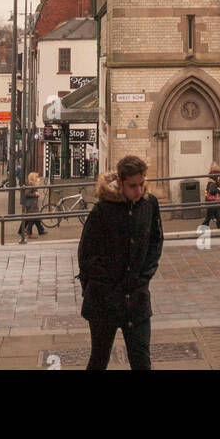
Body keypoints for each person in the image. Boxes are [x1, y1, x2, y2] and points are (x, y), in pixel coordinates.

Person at [77, 154, 164, 370]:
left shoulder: (149, 204)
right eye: (132, 186)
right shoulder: (102, 210)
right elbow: (86, 254)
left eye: (141, 184)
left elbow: (156, 242)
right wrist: (105, 283)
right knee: (99, 359)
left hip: (137, 298)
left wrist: (144, 276)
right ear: (120, 183)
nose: (138, 190)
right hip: (104, 300)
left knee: (142, 360)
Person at [19, 172, 47, 242]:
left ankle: (39, 230)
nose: (38, 180)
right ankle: (29, 231)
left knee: (35, 217)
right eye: (37, 178)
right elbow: (26, 194)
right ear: (34, 179)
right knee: (32, 218)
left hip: (33, 205)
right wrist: (35, 194)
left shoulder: (33, 185)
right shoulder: (30, 185)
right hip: (31, 205)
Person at [202, 163, 220, 230]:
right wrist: (218, 190)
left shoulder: (212, 182)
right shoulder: (212, 183)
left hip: (213, 202)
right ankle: (202, 228)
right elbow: (212, 191)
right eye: (218, 177)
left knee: (218, 217)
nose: (219, 178)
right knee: (209, 218)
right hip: (212, 202)